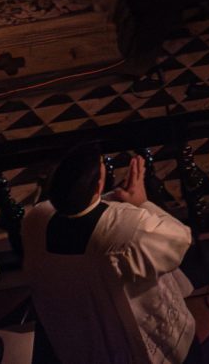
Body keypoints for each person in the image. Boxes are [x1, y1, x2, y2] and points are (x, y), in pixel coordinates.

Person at [21, 145, 196, 364]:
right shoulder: (128, 227)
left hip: (79, 336)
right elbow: (179, 239)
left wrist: (117, 198)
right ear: (98, 186)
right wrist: (141, 202)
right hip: (131, 338)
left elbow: (81, 211)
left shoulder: (36, 218)